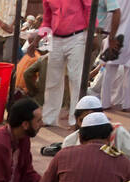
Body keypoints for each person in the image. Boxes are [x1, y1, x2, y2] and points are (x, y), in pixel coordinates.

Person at [53, 95, 130, 176]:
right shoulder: (70, 141)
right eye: (83, 120)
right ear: (77, 120)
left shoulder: (117, 132)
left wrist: (118, 175)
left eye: (94, 118)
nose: (90, 123)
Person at [41, 0, 91, 128]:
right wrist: (41, 37)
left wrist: (92, 33)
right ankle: (49, 118)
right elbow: (47, 18)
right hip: (56, 38)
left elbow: (89, 8)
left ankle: (75, 119)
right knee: (53, 79)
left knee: (75, 78)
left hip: (77, 36)